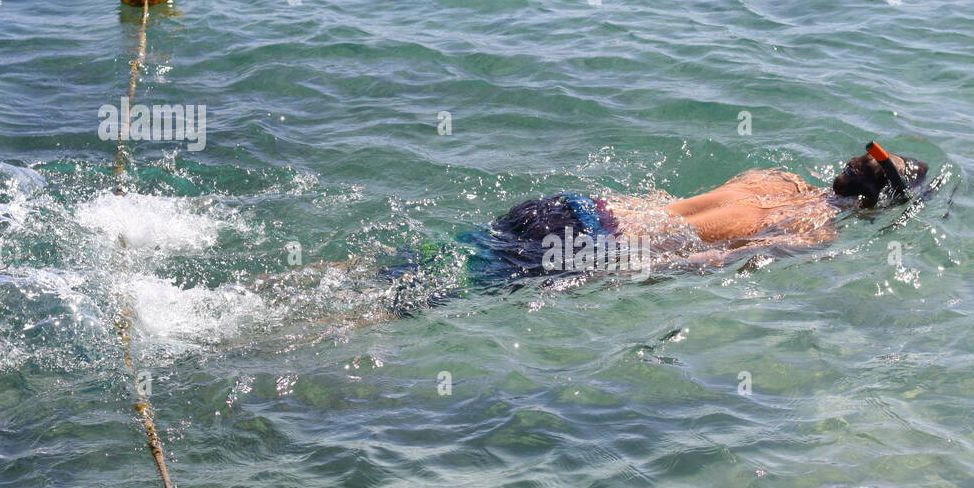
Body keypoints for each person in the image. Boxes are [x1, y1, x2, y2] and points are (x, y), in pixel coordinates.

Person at [382, 144, 929, 307]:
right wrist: (616, 275)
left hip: (578, 206)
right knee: (413, 299)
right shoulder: (817, 233)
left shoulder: (776, 177)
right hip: (595, 242)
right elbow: (710, 261)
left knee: (415, 264)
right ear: (878, 206)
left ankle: (351, 271)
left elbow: (670, 202)